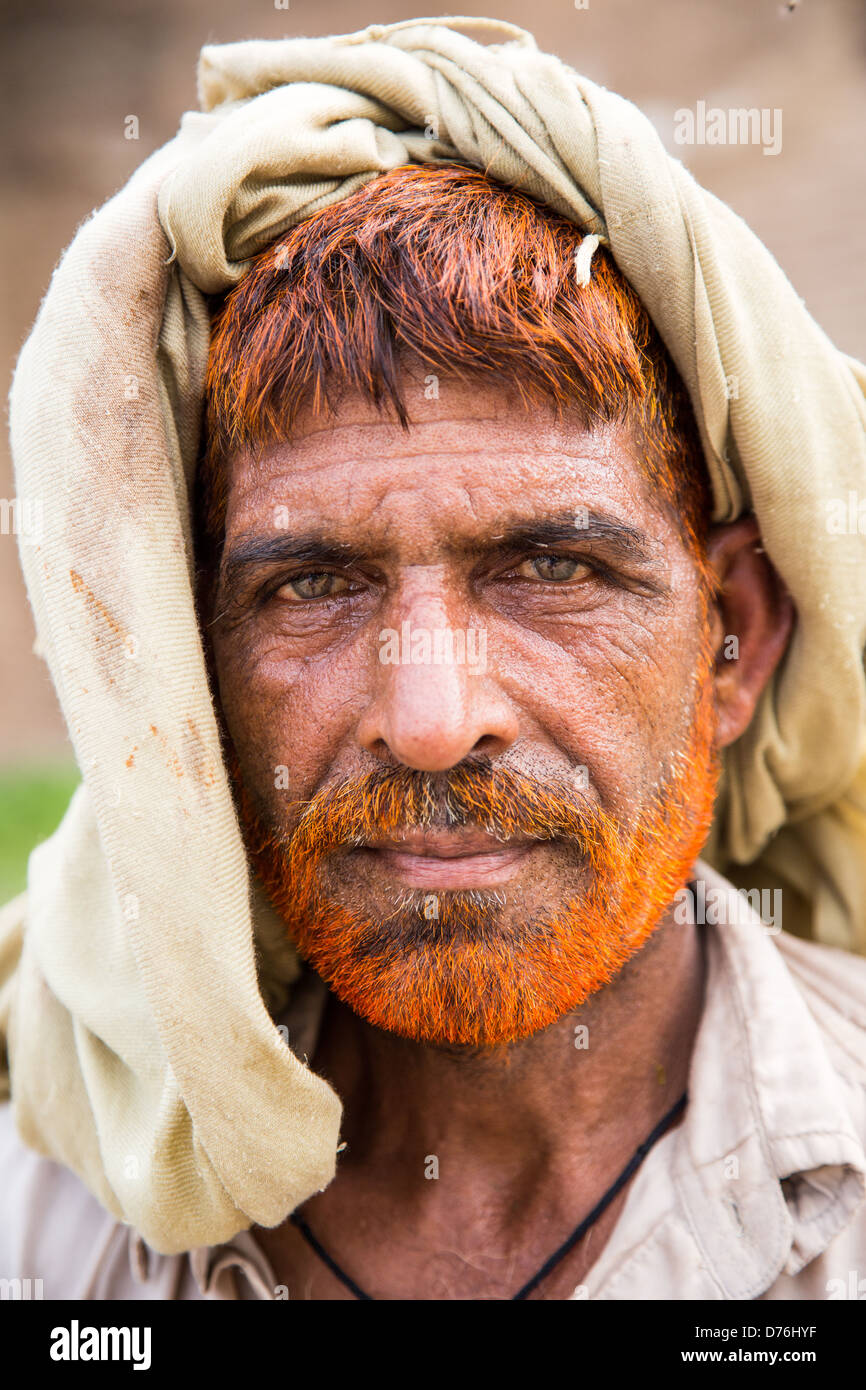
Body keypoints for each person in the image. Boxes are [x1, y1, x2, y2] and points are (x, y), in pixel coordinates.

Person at [1, 17, 865, 1301]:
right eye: (312, 585)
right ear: (197, 678)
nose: (428, 718)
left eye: (550, 569)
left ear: (730, 638)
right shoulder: (55, 1229)